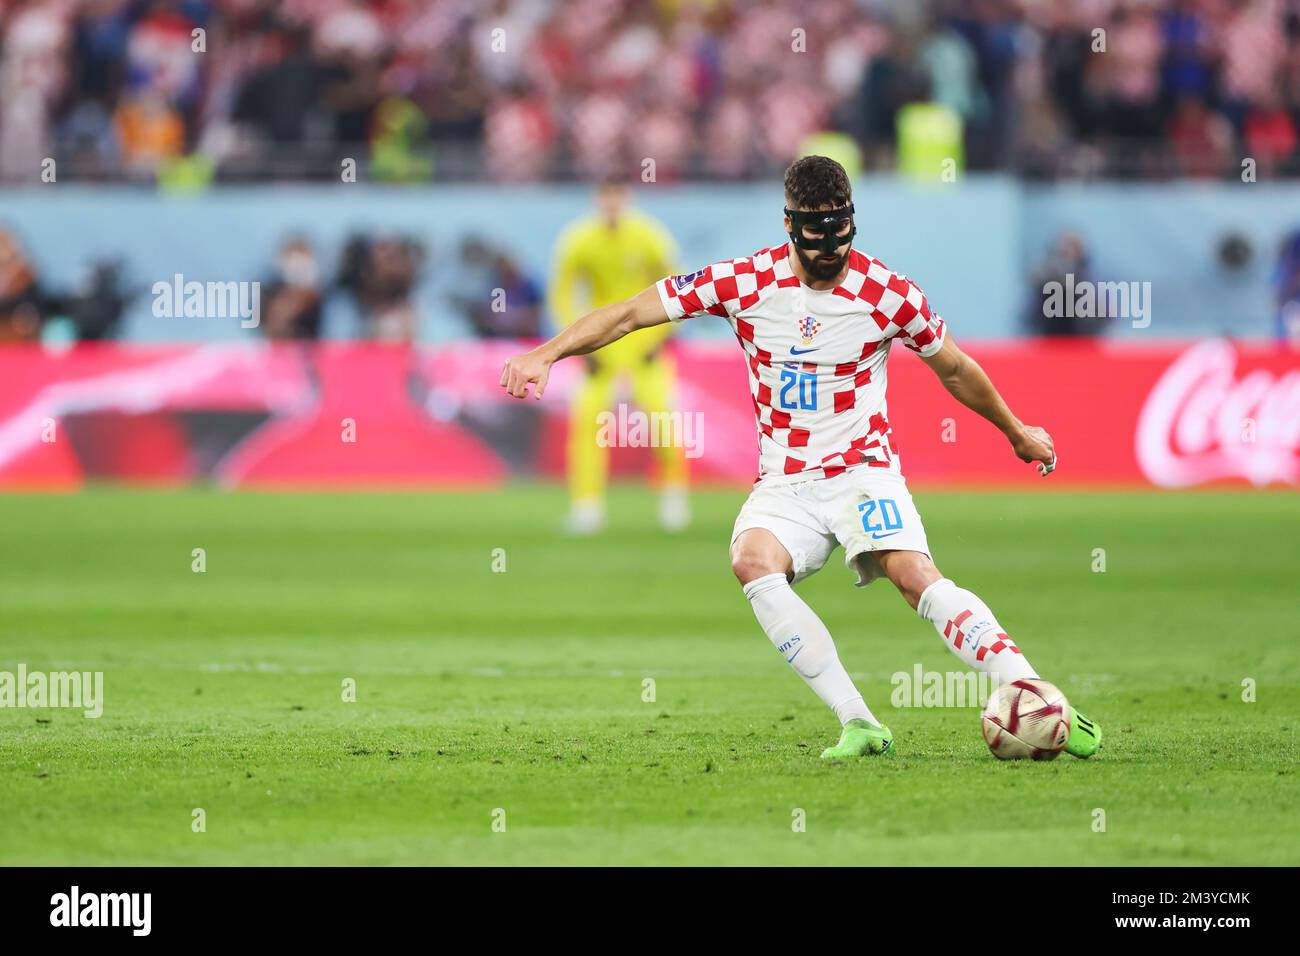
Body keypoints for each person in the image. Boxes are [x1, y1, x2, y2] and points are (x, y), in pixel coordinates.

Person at [501, 155, 1102, 761]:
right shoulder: (743, 283)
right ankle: (860, 722)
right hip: (787, 482)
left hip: (864, 473)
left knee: (913, 576)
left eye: (840, 232)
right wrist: (545, 355)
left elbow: (954, 368)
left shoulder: (888, 294)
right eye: (816, 235)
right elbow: (630, 312)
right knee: (751, 562)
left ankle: (1035, 693)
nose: (829, 249)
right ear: (789, 224)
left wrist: (1015, 429)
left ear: (852, 224)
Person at [549, 179, 689, 534]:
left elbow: (675, 284)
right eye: (605, 196)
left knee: (661, 421)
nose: (611, 204)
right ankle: (587, 506)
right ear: (598, 199)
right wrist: (576, 341)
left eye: (617, 196)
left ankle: (674, 497)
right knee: (587, 422)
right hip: (602, 341)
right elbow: (563, 292)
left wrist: (661, 335)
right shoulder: (579, 239)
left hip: (643, 340)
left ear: (627, 199)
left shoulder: (649, 235)